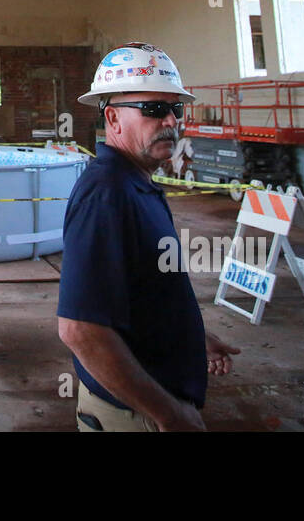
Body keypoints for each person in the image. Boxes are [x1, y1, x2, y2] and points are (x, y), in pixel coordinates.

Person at [57, 42, 240, 431]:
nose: (172, 121)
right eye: (154, 109)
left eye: (177, 109)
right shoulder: (106, 194)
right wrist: (172, 416)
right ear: (113, 117)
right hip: (134, 416)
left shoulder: (137, 184)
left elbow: (137, 294)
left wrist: (191, 337)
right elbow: (81, 330)